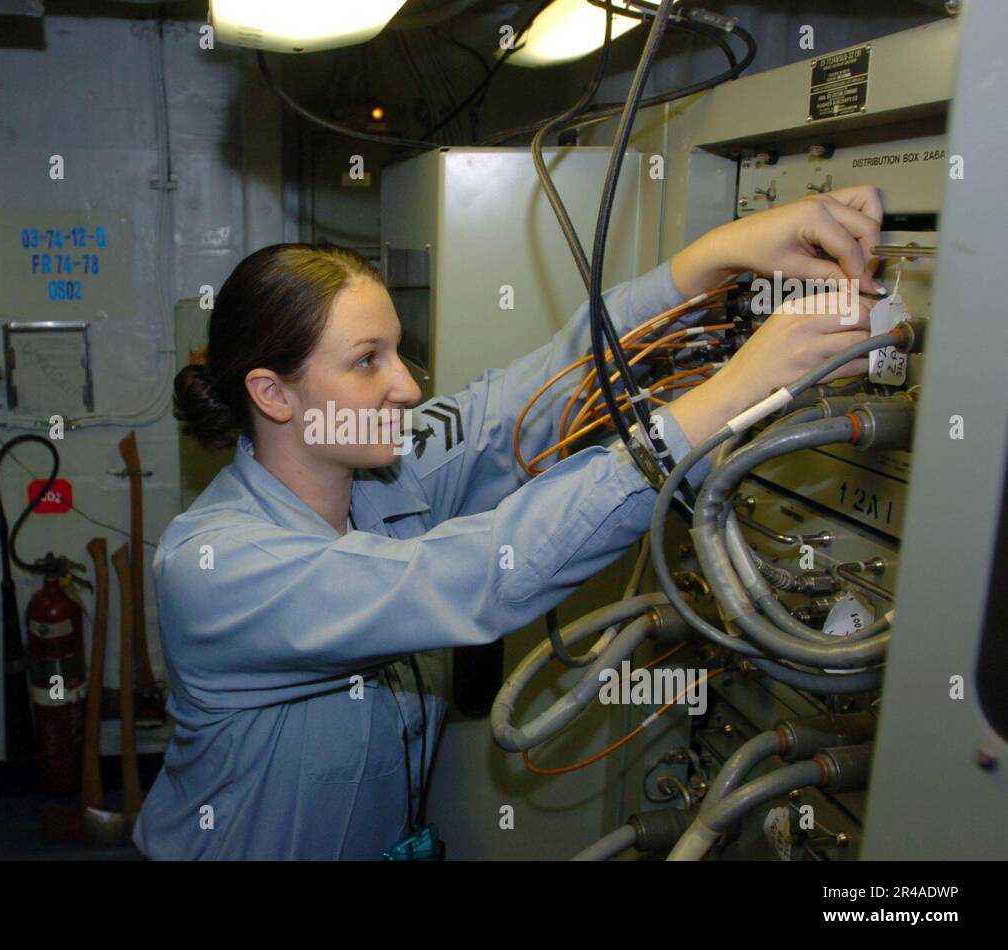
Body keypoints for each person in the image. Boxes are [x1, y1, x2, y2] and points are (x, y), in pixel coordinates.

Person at [133, 186, 885, 860]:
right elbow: (474, 577)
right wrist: (726, 397)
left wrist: (709, 260)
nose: (406, 385)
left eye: (399, 350)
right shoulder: (218, 569)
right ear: (273, 394)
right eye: (368, 361)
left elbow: (522, 405)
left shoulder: (379, 478)